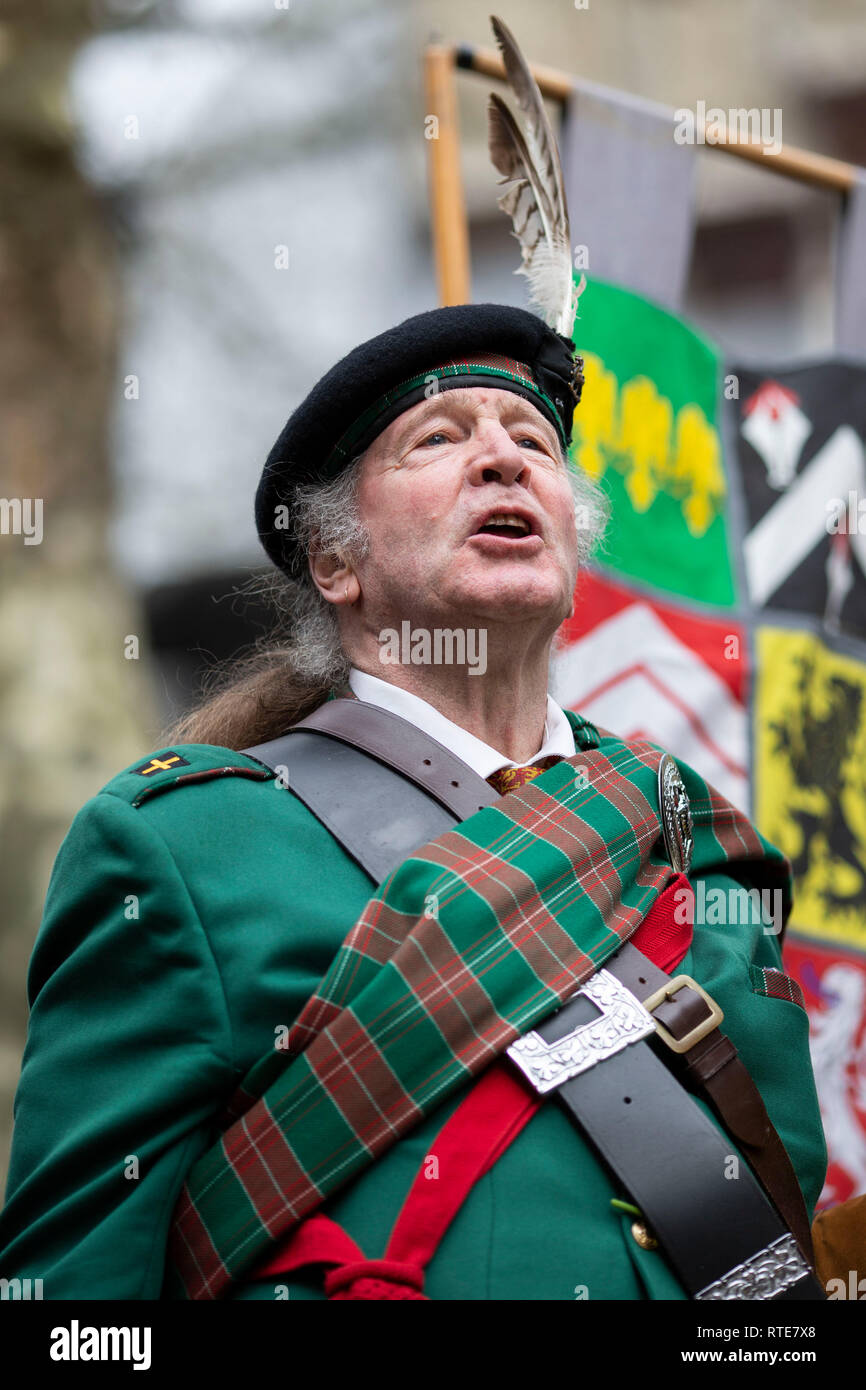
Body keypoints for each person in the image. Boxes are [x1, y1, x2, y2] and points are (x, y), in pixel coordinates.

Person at [0, 303, 827, 1301]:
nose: (504, 461)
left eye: (532, 443)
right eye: (437, 439)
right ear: (334, 562)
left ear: (572, 547)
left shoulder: (700, 846)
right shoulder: (184, 849)